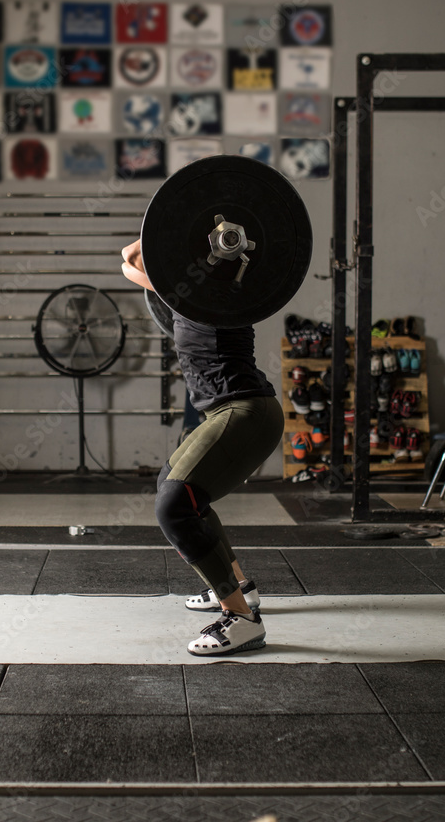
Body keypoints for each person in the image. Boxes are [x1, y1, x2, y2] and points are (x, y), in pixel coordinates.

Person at [121, 239, 285, 656]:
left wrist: (188, 224)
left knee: (177, 503)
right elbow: (130, 258)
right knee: (176, 487)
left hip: (246, 411)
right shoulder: (184, 298)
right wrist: (175, 221)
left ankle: (243, 621)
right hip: (226, 412)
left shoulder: (214, 295)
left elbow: (130, 262)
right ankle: (237, 589)